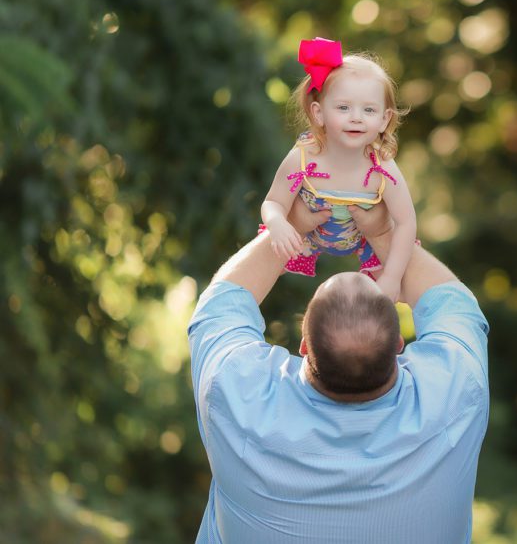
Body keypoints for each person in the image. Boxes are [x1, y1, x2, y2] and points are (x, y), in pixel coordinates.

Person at [188, 198, 489, 543]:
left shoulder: (237, 394)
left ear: (303, 346)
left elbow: (222, 302)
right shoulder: (456, 395)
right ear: (398, 347)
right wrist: (384, 233)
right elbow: (453, 302)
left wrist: (293, 227)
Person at [261, 37, 416, 304]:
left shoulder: (383, 167)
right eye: (343, 108)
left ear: (384, 119)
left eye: (368, 109)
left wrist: (391, 277)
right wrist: (277, 223)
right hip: (304, 235)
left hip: (368, 240)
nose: (356, 117)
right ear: (319, 114)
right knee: (260, 262)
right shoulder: (304, 157)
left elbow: (406, 222)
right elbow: (273, 201)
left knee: (402, 289)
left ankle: (399, 339)